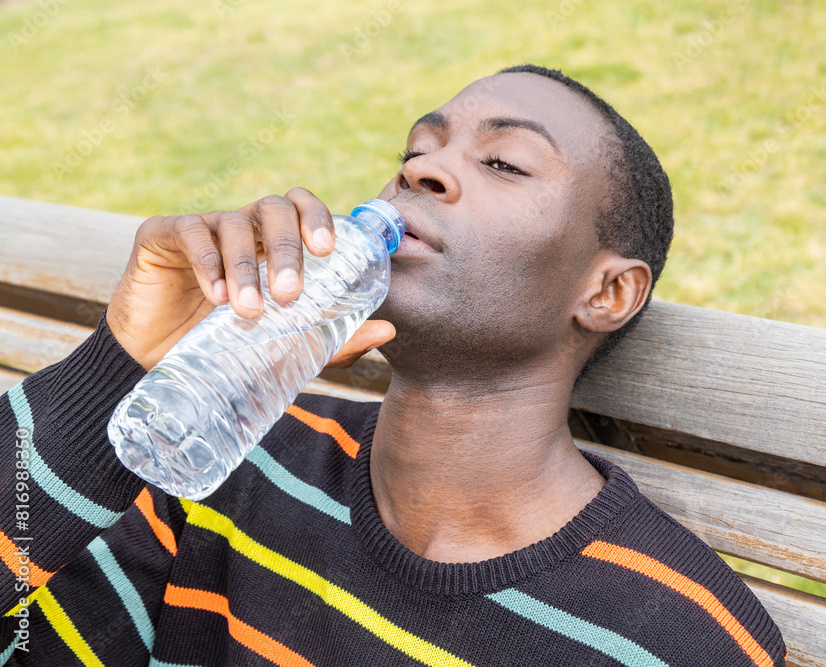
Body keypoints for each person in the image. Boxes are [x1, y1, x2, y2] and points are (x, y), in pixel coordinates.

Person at [0, 64, 786, 666]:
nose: (420, 171)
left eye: (505, 163)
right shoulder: (234, 470)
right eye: (416, 149)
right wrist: (117, 367)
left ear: (608, 290)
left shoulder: (676, 634)